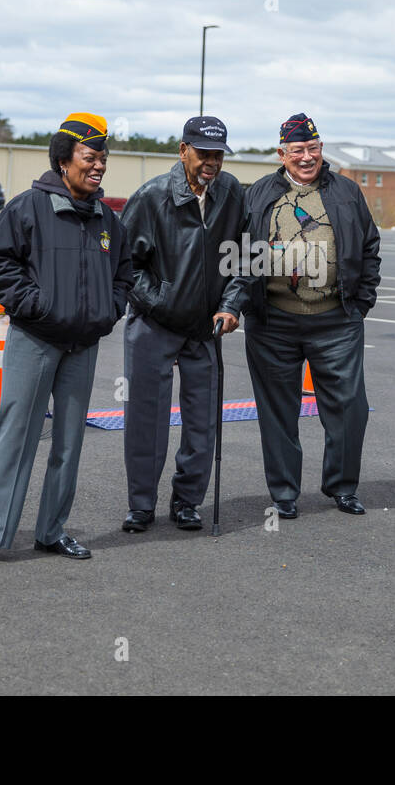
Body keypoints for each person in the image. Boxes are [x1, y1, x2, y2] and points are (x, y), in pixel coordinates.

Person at [0, 113, 132, 567]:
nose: (98, 167)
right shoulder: (26, 208)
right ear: (63, 161)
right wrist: (36, 307)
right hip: (34, 341)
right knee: (16, 438)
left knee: (69, 443)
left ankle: (52, 531)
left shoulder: (107, 220)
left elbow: (124, 275)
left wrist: (107, 312)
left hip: (83, 346)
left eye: (103, 160)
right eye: (89, 158)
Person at [242, 113, 381, 518]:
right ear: (282, 154)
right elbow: (237, 247)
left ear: (322, 149)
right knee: (278, 411)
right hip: (273, 322)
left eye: (313, 149)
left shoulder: (347, 192)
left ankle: (342, 486)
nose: (307, 157)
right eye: (298, 150)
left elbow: (369, 246)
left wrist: (363, 301)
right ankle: (284, 493)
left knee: (349, 407)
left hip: (336, 321)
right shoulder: (258, 193)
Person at [119, 116, 249, 532]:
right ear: (182, 150)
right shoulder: (152, 196)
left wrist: (231, 304)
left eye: (218, 155)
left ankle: (187, 501)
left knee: (202, 422)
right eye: (203, 153)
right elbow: (124, 265)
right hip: (154, 325)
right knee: (146, 420)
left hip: (205, 329)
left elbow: (247, 255)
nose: (211, 162)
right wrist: (160, 300)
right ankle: (141, 505)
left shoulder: (231, 194)